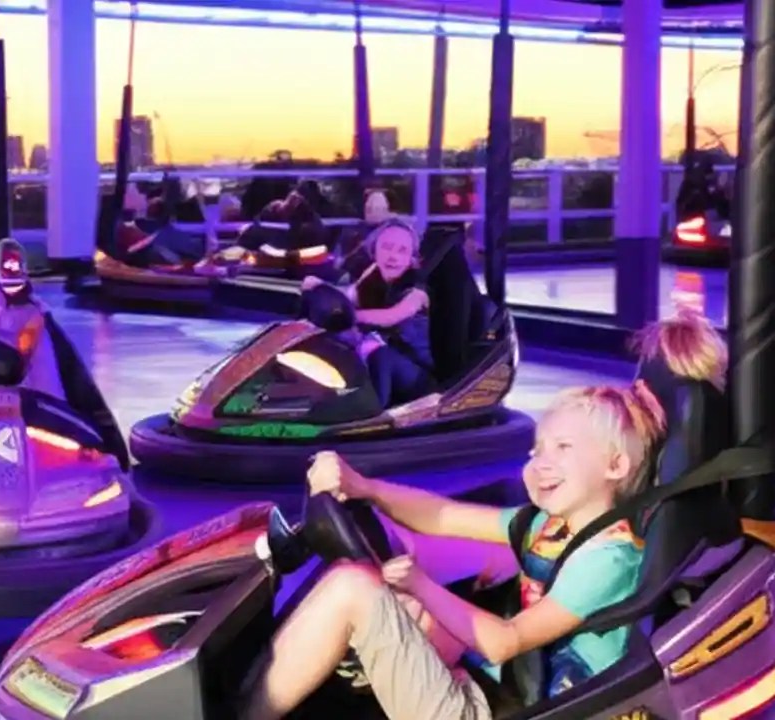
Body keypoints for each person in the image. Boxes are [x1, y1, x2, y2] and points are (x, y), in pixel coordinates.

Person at [239, 379, 668, 720]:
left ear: (615, 466)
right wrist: (363, 487)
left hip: (512, 707)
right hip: (506, 681)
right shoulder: (551, 526)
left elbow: (505, 641)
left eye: (563, 448)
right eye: (536, 450)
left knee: (353, 588)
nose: (540, 462)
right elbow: (441, 516)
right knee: (400, 601)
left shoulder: (607, 558)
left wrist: (421, 585)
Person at [305, 219, 436, 408]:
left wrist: (352, 316)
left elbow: (392, 316)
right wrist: (318, 288)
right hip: (381, 363)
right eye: (387, 248)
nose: (393, 257)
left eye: (402, 251)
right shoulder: (373, 275)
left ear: (412, 258)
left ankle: (372, 415)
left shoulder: (418, 290)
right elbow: (348, 298)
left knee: (379, 352)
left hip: (417, 373)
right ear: (375, 251)